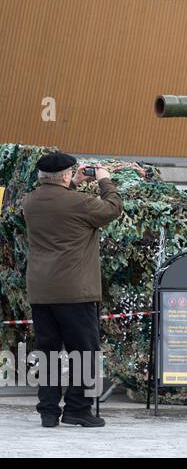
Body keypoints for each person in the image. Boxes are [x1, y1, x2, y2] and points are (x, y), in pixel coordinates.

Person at [20, 151, 122, 428]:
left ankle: (49, 411)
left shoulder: (29, 202)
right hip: (75, 291)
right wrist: (104, 181)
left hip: (41, 290)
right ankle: (78, 408)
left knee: (48, 352)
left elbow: (58, 206)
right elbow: (113, 209)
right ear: (65, 175)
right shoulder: (80, 203)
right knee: (85, 352)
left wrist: (71, 184)